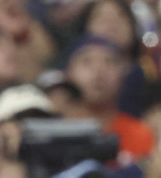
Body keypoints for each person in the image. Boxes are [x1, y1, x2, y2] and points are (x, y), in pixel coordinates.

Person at [65, 34, 156, 162]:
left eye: (109, 61)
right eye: (86, 61)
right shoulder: (49, 132)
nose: (98, 71)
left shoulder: (141, 135)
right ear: (68, 73)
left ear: (123, 74)